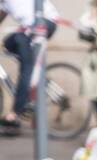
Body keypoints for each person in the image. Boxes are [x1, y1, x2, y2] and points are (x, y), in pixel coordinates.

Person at [0, 0, 59, 135]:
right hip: (29, 28)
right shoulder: (4, 3)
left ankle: (15, 113)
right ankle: (33, 79)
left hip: (45, 22)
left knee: (23, 49)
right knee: (9, 42)